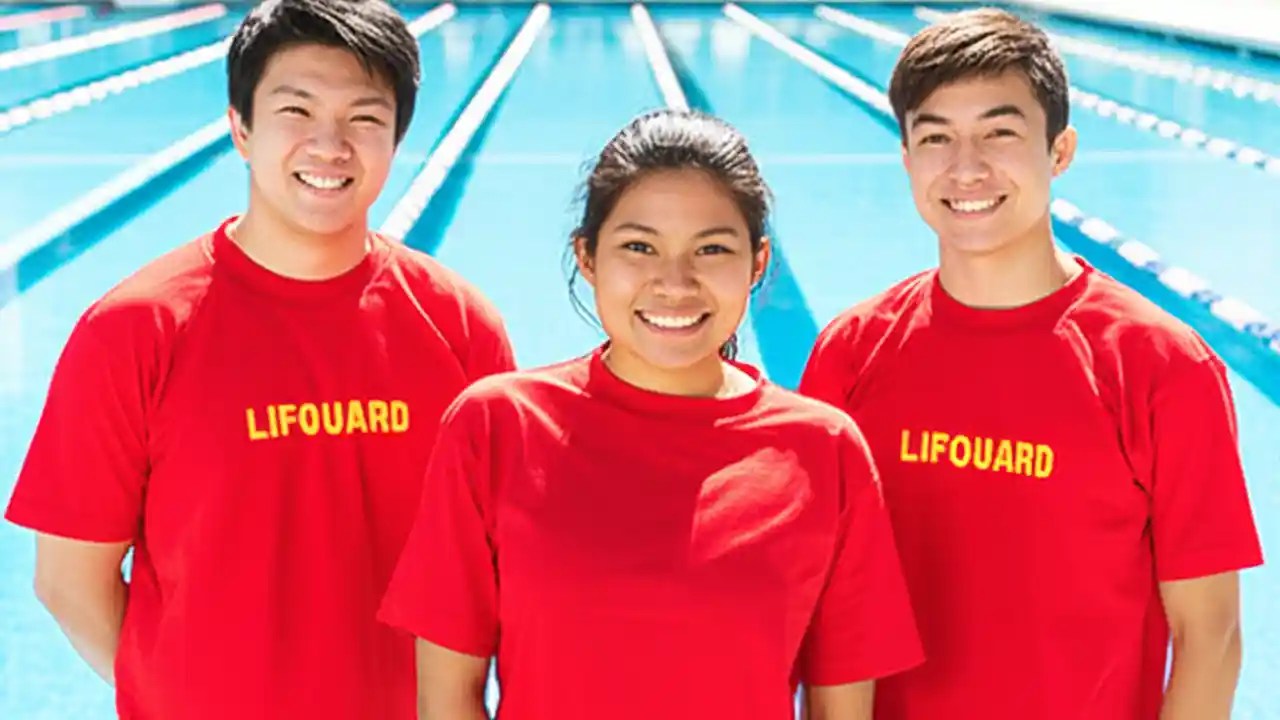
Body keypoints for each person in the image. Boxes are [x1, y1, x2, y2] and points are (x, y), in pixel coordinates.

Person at [4, 0, 514, 718]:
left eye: (364, 118)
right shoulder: (134, 330)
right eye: (296, 111)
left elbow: (493, 575)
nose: (330, 145)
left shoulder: (460, 326)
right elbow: (68, 579)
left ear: (397, 139)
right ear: (240, 128)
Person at [376, 108, 924, 720]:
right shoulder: (497, 428)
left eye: (711, 248)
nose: (674, 281)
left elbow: (841, 709)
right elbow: (446, 698)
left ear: (758, 263)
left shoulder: (822, 450)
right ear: (587, 257)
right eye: (639, 247)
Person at [798, 8, 1264, 720]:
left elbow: (1212, 636)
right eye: (936, 138)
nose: (967, 168)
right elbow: (824, 618)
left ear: (1061, 150)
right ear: (906, 158)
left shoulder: (1161, 365)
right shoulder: (852, 352)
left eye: (999, 133)